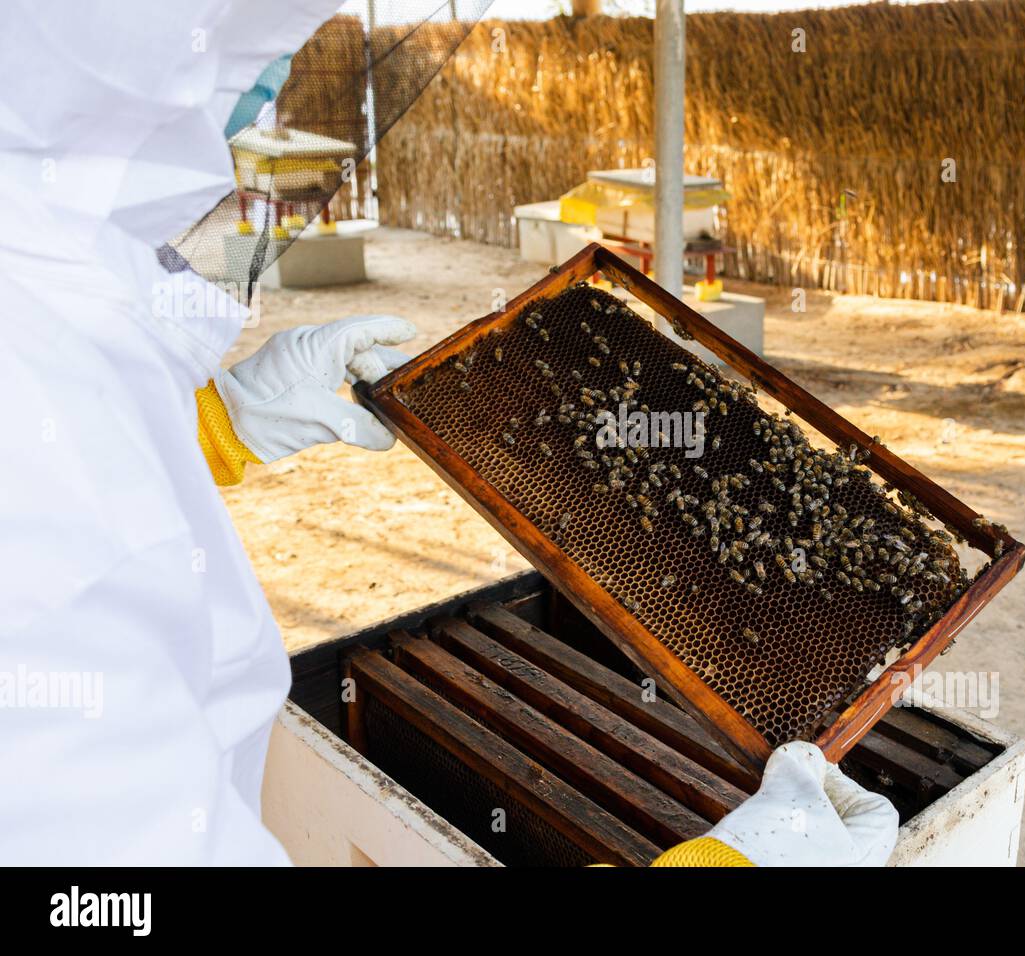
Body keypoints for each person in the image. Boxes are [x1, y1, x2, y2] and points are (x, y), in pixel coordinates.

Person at [0, 0, 897, 866]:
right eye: (242, 52)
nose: (261, 91)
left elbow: (73, 447)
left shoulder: (39, 289)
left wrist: (211, 426)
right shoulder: (49, 601)